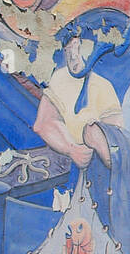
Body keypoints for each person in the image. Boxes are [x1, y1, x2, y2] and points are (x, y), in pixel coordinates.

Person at [34, 20, 123, 170]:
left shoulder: (103, 86)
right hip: (69, 163)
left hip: (97, 168)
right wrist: (71, 148)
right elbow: (43, 123)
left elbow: (114, 144)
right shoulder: (58, 79)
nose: (74, 57)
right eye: (69, 49)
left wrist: (93, 138)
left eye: (78, 48)